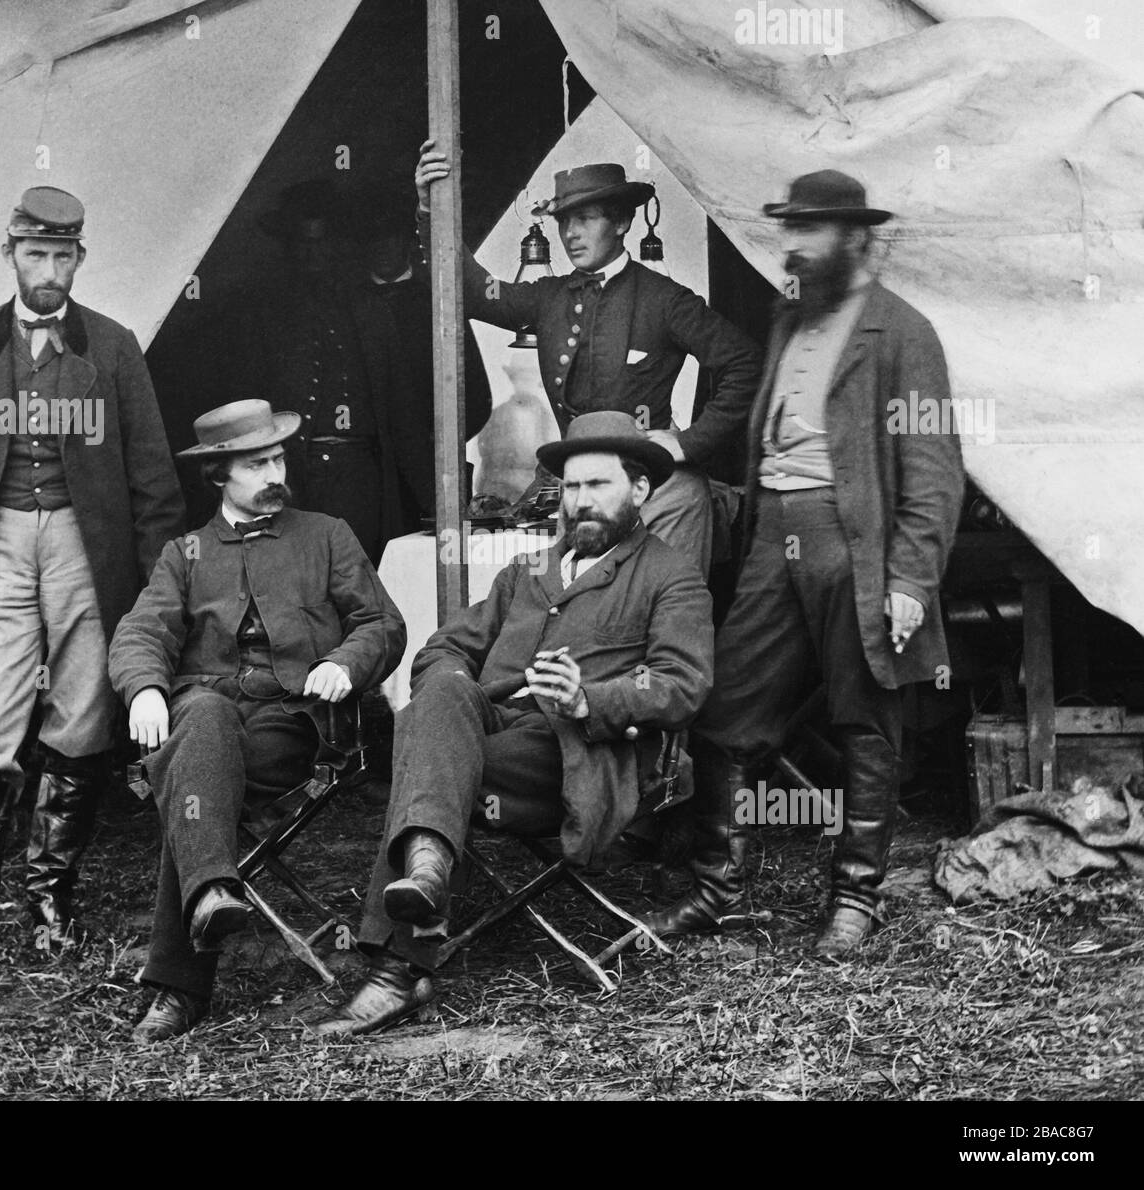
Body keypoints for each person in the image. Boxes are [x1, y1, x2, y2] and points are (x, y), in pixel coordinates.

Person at [641, 171, 966, 957]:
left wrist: (911, 581)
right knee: (725, 705)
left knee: (866, 714)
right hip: (773, 531)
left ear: (856, 238)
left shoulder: (904, 332)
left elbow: (933, 471)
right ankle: (717, 886)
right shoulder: (789, 318)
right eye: (788, 227)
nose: (793, 244)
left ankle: (857, 897)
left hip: (853, 540)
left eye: (811, 229)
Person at [318, 411, 715, 1036]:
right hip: (489, 736)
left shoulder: (670, 577)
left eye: (598, 486)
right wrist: (453, 690)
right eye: (571, 488)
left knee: (432, 762)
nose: (580, 502)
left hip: (577, 755)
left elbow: (681, 683)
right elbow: (443, 647)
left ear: (639, 490)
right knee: (439, 699)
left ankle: (400, 964)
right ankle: (424, 876)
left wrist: (592, 698)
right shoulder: (527, 571)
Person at [0, 187, 184, 982]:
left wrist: (148, 588)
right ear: (11, 255)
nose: (51, 271)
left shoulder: (115, 347)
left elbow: (154, 480)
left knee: (83, 718)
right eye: (37, 255)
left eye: (64, 256)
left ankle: (51, 898)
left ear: (80, 259)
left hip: (82, 546)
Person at [107, 400, 405, 1042]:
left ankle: (178, 986)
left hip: (290, 724)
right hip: (199, 711)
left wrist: (346, 664)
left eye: (277, 457)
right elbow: (140, 630)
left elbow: (382, 622)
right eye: (256, 463)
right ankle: (212, 894)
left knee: (196, 780)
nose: (275, 471)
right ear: (218, 474)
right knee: (203, 720)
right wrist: (144, 692)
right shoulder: (183, 554)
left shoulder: (326, 534)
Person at [415, 142, 762, 577]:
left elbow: (745, 363)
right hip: (579, 492)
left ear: (621, 221)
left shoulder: (665, 300)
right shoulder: (549, 297)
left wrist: (688, 444)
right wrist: (434, 212)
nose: (570, 234)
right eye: (564, 221)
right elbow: (470, 292)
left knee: (663, 606)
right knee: (578, 610)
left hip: (658, 493)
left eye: (585, 219)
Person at [232, 180, 430, 564]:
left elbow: (403, 413)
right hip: (291, 476)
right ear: (289, 246)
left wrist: (434, 503)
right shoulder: (264, 316)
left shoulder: (372, 311)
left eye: (321, 242)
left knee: (361, 579)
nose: (313, 254)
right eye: (303, 243)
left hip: (363, 482)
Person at [357, 191, 492, 527]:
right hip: (371, 474)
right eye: (374, 237)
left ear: (406, 238)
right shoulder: (349, 308)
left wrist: (439, 439)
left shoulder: (439, 302)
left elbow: (475, 394)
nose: (383, 246)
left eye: (391, 235)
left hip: (433, 468)